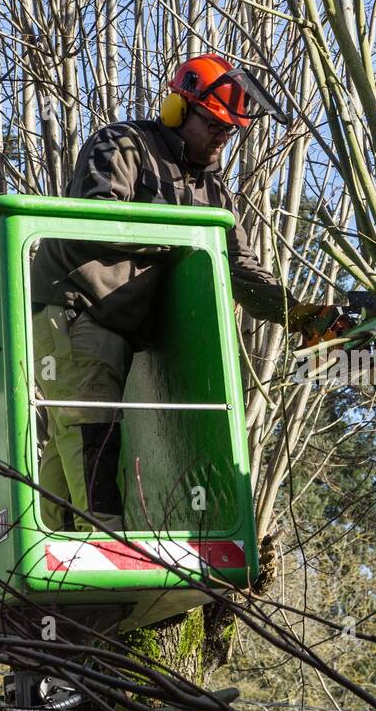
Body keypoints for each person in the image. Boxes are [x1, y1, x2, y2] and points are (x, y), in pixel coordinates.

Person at [30, 53, 343, 532]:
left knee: (68, 449)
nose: (221, 138)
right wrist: (183, 240)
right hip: (76, 308)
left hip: (119, 331)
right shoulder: (123, 145)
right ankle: (108, 563)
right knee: (92, 440)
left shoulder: (213, 193)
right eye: (214, 124)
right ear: (178, 109)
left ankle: (47, 561)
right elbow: (95, 217)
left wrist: (297, 314)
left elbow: (238, 265)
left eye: (229, 131)